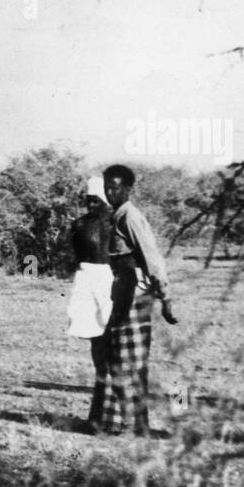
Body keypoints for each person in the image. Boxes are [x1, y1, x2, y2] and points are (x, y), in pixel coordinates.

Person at [99, 164, 178, 436]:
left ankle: (132, 424)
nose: (110, 191)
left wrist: (165, 296)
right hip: (121, 288)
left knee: (126, 358)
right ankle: (127, 422)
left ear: (128, 188)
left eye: (116, 187)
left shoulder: (130, 217)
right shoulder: (115, 215)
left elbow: (152, 259)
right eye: (107, 186)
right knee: (120, 356)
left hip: (135, 291)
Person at [67, 176, 115, 425]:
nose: (92, 205)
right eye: (91, 201)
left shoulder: (79, 224)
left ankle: (99, 416)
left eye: (94, 201)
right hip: (102, 282)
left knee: (101, 353)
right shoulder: (114, 221)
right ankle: (103, 416)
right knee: (107, 353)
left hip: (93, 282)